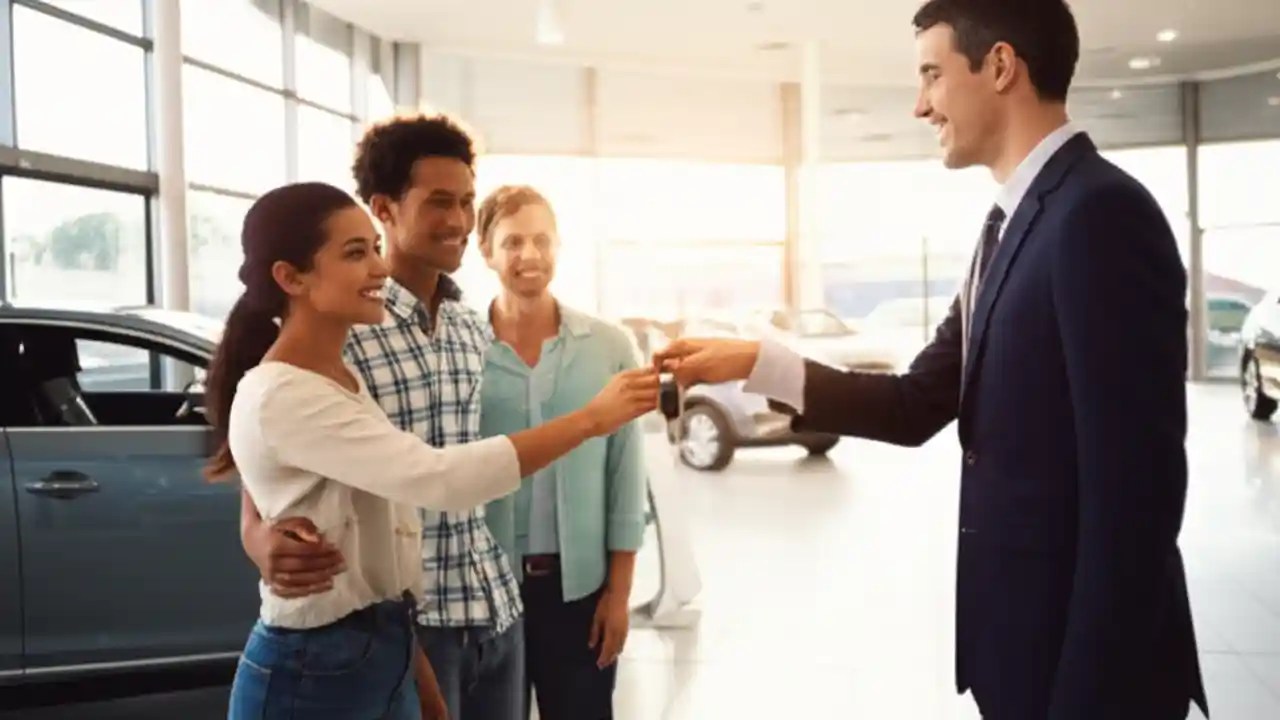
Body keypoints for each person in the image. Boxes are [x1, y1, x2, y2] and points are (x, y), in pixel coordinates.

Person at [654, 1, 1208, 718]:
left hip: (1083, 676)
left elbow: (1135, 500)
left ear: (1001, 66)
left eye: (931, 75)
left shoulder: (1099, 216)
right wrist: (757, 361)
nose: (920, 106)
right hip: (1018, 652)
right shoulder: (1008, 227)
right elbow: (916, 403)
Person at [236, 115, 640, 720]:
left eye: (467, 202)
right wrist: (258, 537)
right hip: (411, 623)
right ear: (386, 209)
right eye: (439, 203)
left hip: (492, 605)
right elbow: (266, 473)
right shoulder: (339, 330)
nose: (457, 220)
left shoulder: (470, 329)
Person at [477, 185, 647, 719]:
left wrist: (618, 596)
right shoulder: (461, 350)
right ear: (486, 252)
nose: (530, 255)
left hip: (581, 592)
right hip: (487, 592)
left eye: (542, 240)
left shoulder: (610, 346)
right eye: (513, 242)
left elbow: (625, 476)